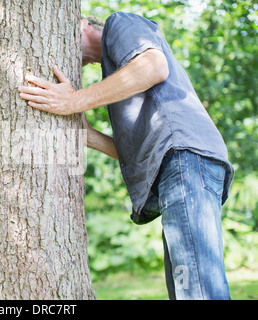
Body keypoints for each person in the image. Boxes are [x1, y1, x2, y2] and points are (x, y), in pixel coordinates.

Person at [18, 12, 234, 300]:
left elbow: (154, 67)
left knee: (197, 291)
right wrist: (89, 136)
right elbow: (144, 150)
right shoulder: (115, 70)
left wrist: (74, 100)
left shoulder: (120, 23)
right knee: (186, 287)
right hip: (180, 163)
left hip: (184, 159)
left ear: (81, 24)